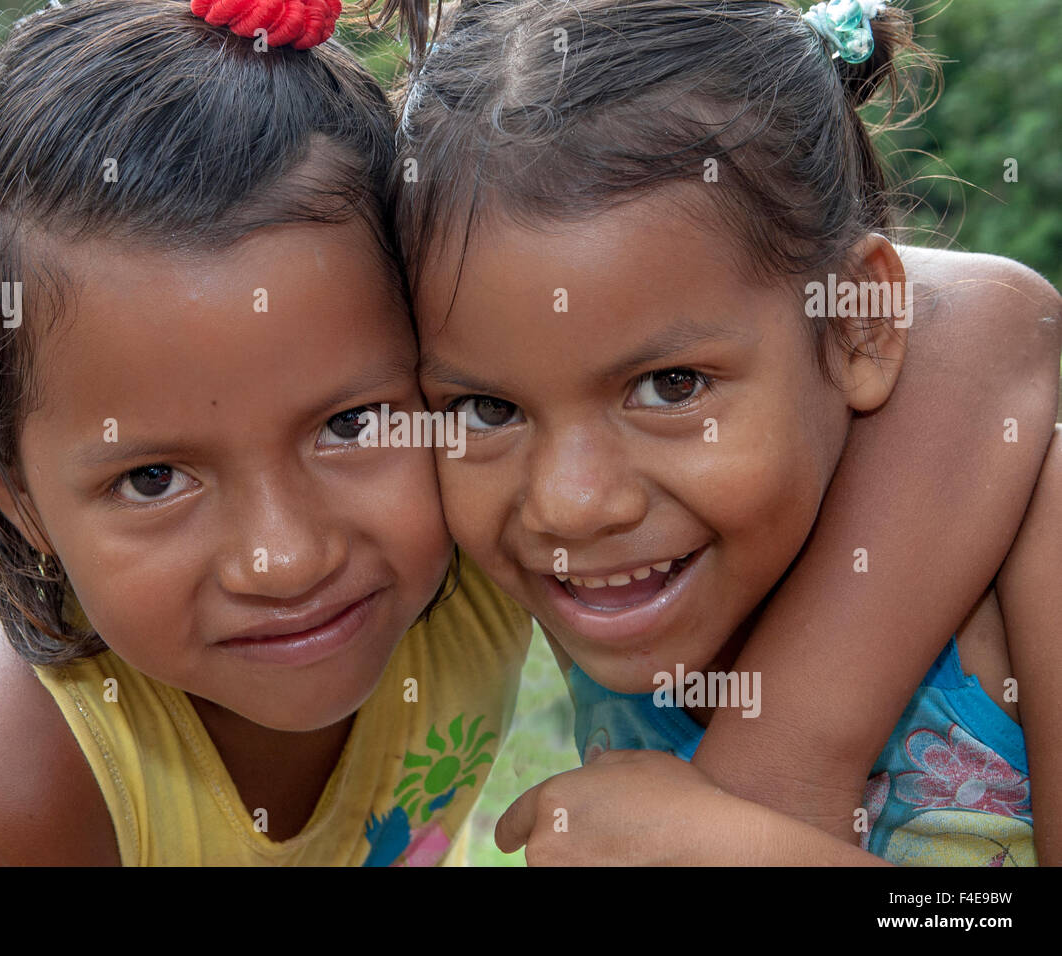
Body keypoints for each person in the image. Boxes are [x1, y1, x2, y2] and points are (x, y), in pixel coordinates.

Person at [0, 0, 533, 866]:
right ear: (19, 500)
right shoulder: (20, 779)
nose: (285, 559)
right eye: (154, 478)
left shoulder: (508, 534)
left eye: (349, 426)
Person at [390, 0, 1062, 863]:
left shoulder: (1029, 535)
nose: (572, 504)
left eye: (670, 388)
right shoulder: (615, 582)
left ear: (858, 325)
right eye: (489, 410)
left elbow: (996, 315)